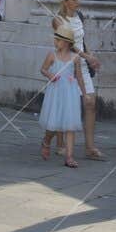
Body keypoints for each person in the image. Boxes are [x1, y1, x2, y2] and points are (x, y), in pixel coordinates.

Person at [53, 0, 104, 161]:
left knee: (90, 103)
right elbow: (68, 43)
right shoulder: (58, 20)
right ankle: (59, 143)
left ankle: (90, 147)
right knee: (65, 103)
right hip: (66, 64)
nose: (77, 2)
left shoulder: (79, 16)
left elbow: (81, 41)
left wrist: (90, 57)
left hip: (81, 64)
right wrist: (86, 56)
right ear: (66, 1)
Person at [39, 26, 84, 167]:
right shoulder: (52, 55)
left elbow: (79, 76)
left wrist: (84, 93)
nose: (55, 42)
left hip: (70, 93)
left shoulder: (75, 58)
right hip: (56, 92)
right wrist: (50, 75)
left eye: (57, 40)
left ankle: (69, 157)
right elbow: (43, 69)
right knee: (53, 123)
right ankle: (46, 141)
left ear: (66, 42)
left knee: (70, 125)